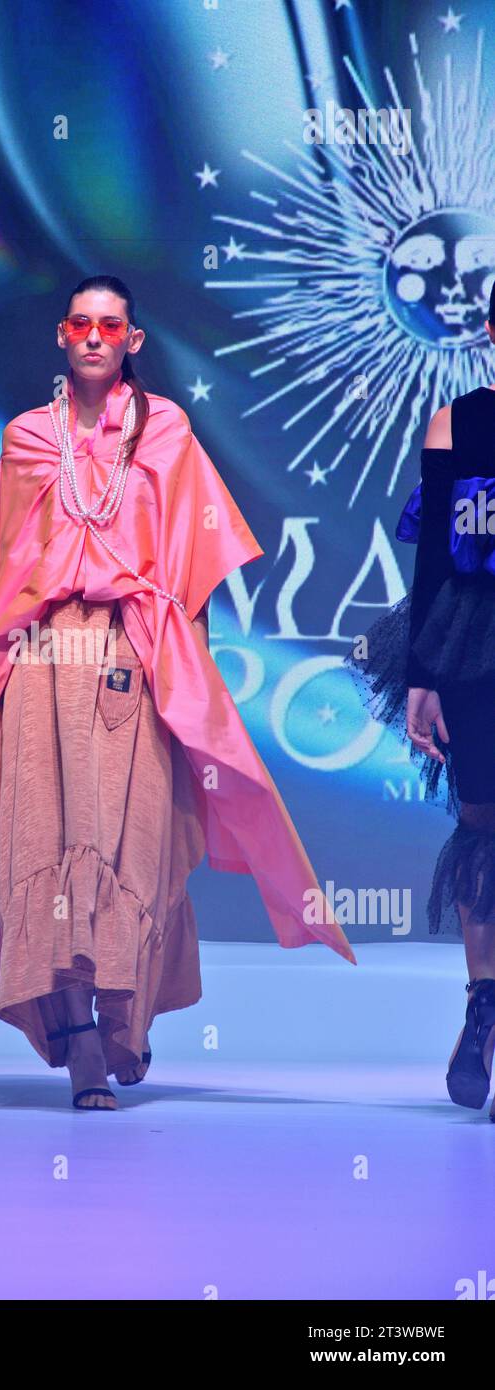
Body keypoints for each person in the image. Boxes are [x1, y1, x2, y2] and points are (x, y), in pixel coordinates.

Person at [0, 274, 355, 1111]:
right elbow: (0, 580)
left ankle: (125, 1016)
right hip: (42, 662)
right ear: (62, 336)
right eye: (82, 324)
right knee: (45, 840)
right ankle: (80, 1033)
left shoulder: (165, 431)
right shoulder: (26, 438)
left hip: (135, 653)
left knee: (135, 840)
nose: (95, 336)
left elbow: (190, 574)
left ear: (133, 340)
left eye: (111, 325)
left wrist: (182, 679)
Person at [345, 294, 495, 1120]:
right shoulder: (455, 423)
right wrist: (423, 679)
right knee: (481, 820)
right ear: (490, 333)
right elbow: (434, 560)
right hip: (474, 643)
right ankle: (484, 1006)